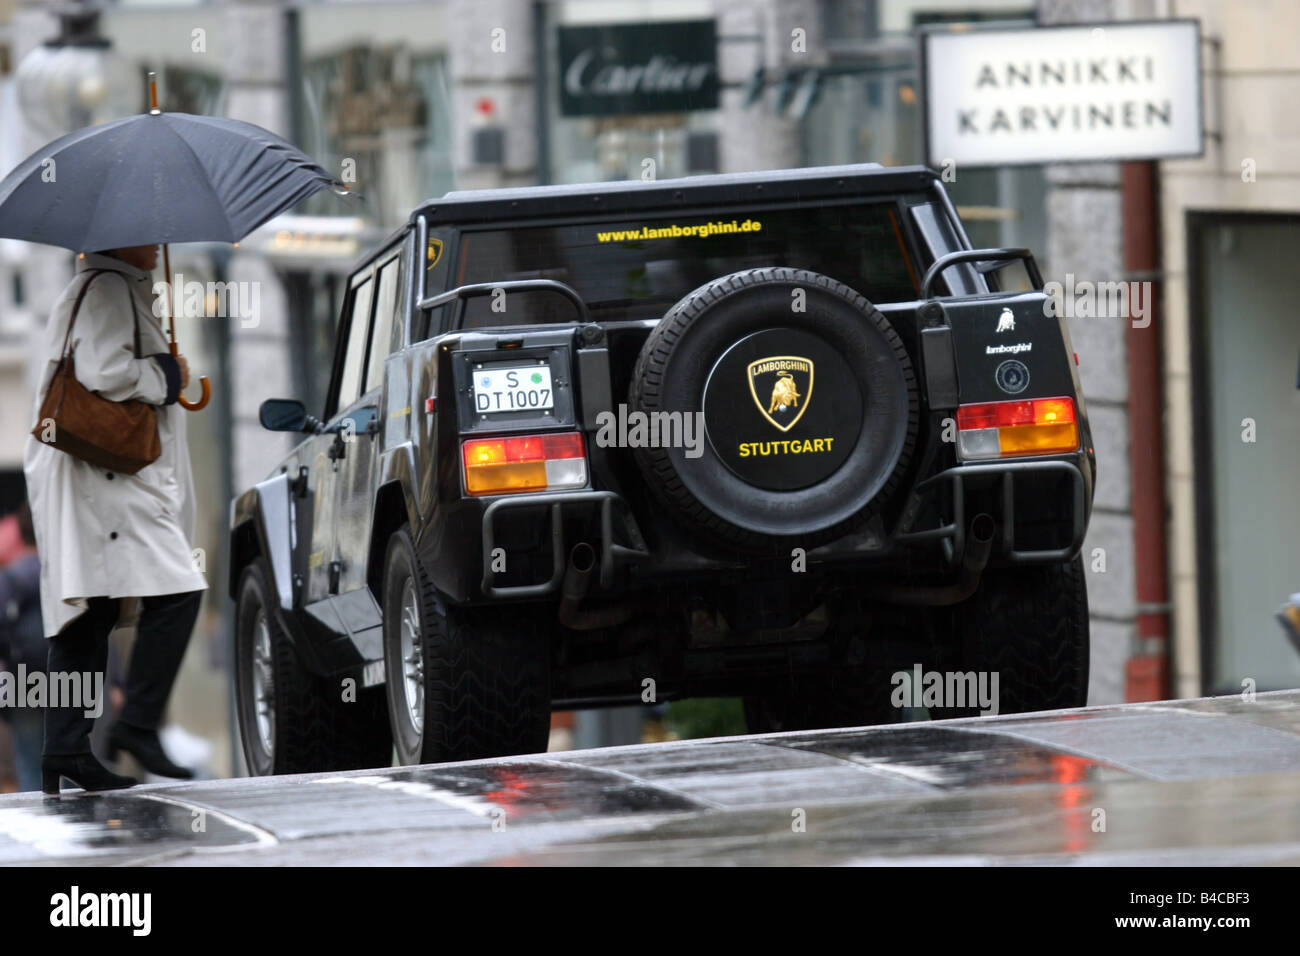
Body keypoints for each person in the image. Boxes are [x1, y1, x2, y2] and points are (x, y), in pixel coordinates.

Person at [22, 245, 207, 794]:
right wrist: (165, 374)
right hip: (106, 476)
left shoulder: (103, 287)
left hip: (91, 475)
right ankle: (138, 726)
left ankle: (65, 751)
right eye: (144, 234)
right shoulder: (106, 287)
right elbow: (104, 372)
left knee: (90, 612)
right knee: (180, 588)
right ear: (116, 240)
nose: (155, 244)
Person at [0, 503, 43, 791]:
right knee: (73, 761)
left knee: (29, 764)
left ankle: (41, 827)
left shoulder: (11, 576)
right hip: (76, 680)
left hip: (22, 681)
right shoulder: (68, 575)